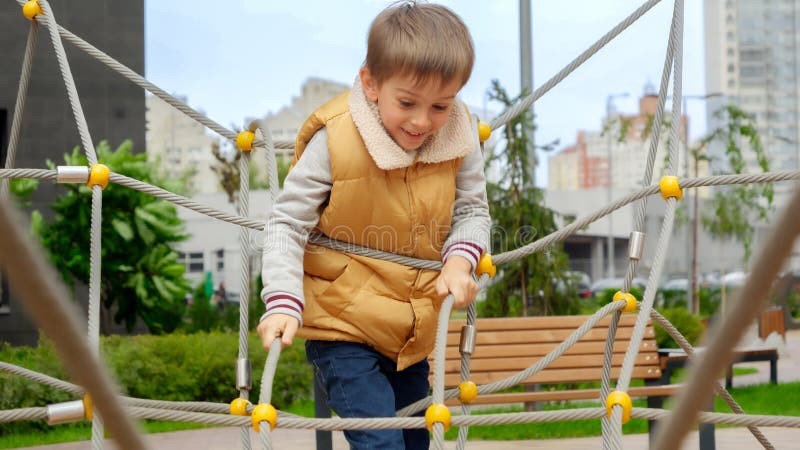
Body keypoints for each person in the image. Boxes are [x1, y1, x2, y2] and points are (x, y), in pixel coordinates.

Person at [257, 2, 490, 448]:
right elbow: (286, 223)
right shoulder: (337, 138)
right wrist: (283, 301)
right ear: (370, 83)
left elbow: (473, 212)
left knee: (417, 441)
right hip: (341, 325)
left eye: (441, 105)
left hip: (410, 330)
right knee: (382, 443)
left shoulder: (460, 136)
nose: (422, 122)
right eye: (407, 103)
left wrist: (460, 261)